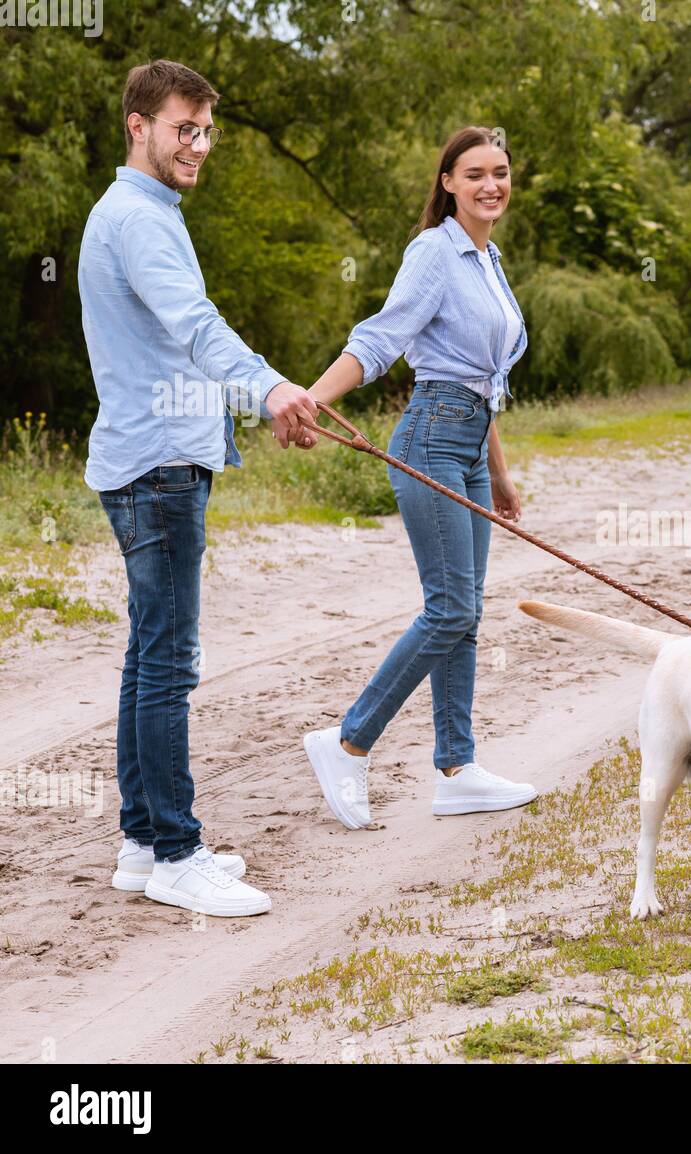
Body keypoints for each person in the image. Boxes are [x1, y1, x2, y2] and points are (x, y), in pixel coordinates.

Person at [81, 60, 318, 917]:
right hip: (157, 469)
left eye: (207, 130)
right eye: (185, 127)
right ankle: (179, 852)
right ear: (138, 125)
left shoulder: (141, 215)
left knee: (150, 657)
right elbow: (196, 325)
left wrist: (256, 397)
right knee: (169, 663)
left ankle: (144, 843)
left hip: (151, 461)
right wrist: (271, 389)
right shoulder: (137, 222)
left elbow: (181, 338)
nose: (200, 145)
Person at [302, 126, 536, 826]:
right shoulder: (436, 251)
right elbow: (382, 337)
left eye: (500, 172)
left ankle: (457, 769)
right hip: (430, 436)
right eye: (474, 174)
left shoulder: (488, 259)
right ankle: (347, 742)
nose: (490, 184)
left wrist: (497, 473)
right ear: (448, 184)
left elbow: (485, 382)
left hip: (468, 444)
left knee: (467, 611)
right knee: (450, 608)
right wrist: (312, 400)